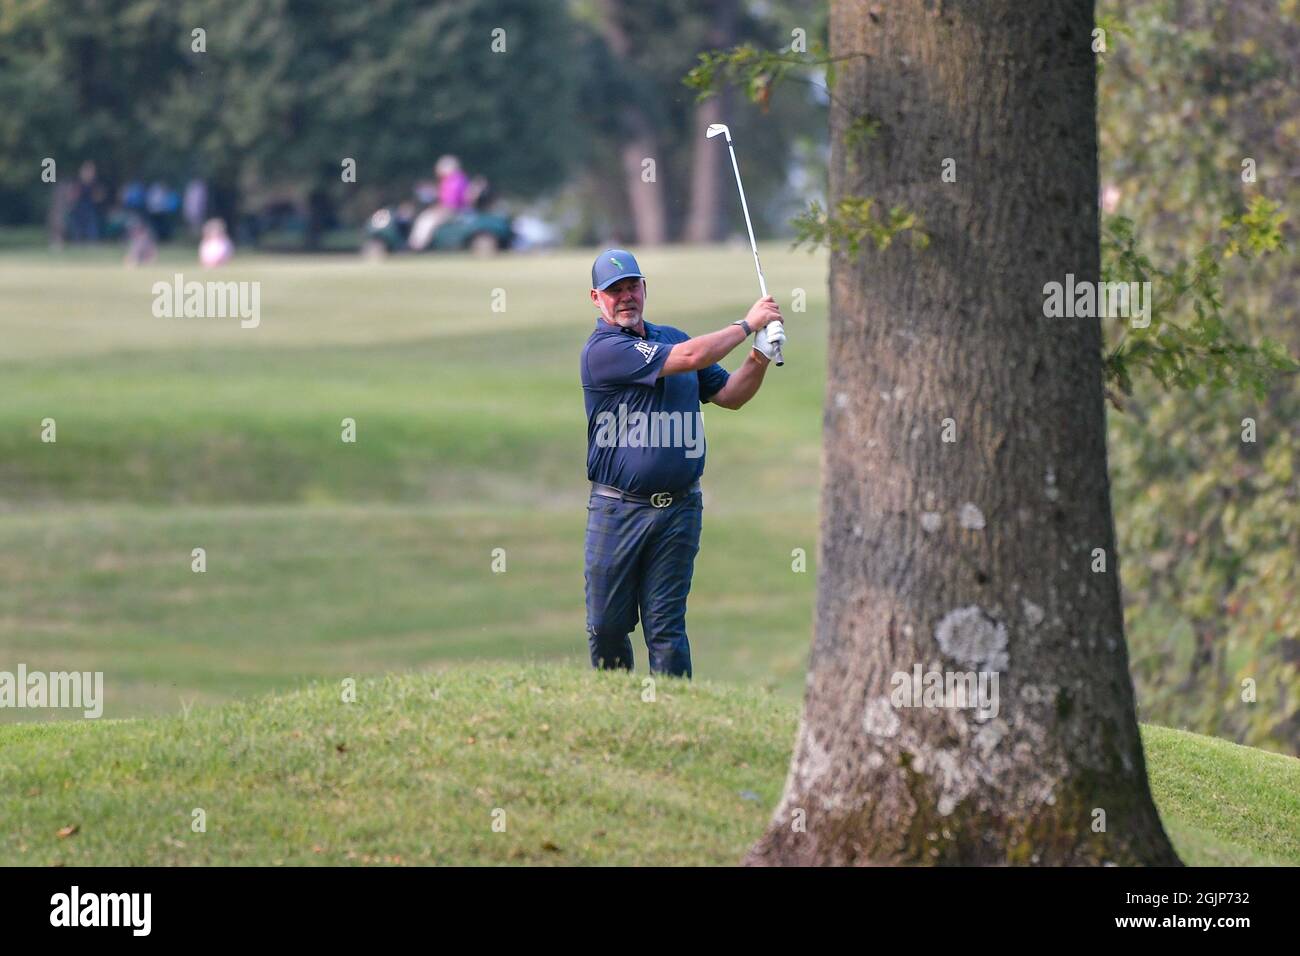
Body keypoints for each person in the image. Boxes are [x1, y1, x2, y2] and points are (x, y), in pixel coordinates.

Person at [580, 249, 786, 678]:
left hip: (679, 510)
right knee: (607, 626)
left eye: (632, 286)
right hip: (618, 510)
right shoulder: (604, 351)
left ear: (644, 289)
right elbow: (692, 358)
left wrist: (760, 355)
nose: (625, 297)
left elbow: (730, 396)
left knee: (666, 627)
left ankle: (674, 718)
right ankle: (613, 711)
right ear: (596, 298)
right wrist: (748, 325)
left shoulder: (673, 336)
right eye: (614, 291)